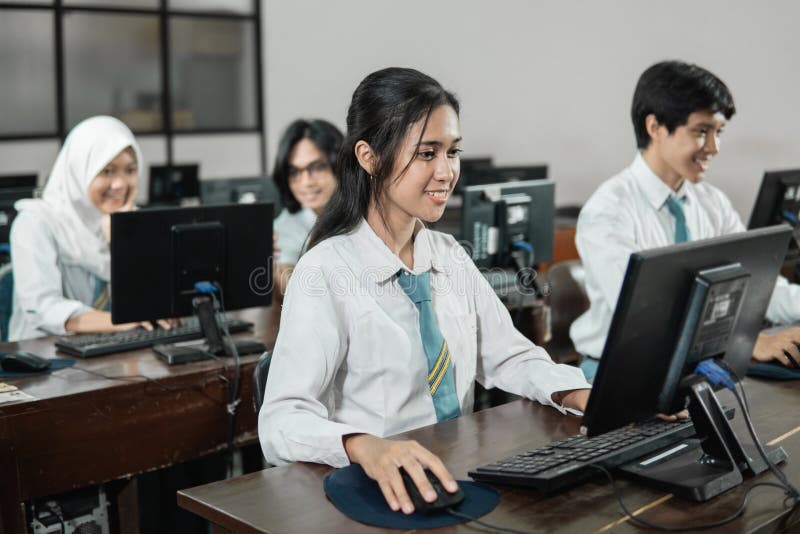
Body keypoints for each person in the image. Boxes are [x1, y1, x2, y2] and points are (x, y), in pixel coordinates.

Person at [259, 67, 591, 514]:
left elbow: (508, 355)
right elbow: (280, 420)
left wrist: (576, 393)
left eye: (452, 152)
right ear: (369, 157)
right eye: (426, 153)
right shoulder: (325, 271)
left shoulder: (448, 255)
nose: (445, 172)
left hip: (455, 469)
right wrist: (364, 446)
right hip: (376, 488)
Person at [571, 60, 800, 380]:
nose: (714, 147)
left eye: (718, 132)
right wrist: (746, 342)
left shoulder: (711, 202)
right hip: (621, 375)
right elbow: (646, 319)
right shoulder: (607, 211)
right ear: (655, 127)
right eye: (701, 132)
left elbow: (757, 287)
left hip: (695, 368)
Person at [9, 115, 171, 341]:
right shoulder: (36, 223)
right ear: (78, 170)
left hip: (113, 351)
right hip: (43, 357)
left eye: (130, 170)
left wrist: (122, 240)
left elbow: (148, 299)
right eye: (107, 171)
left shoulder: (131, 219)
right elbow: (43, 308)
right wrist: (118, 321)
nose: (121, 184)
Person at [271, 119, 343, 297]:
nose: (306, 182)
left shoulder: (369, 210)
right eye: (295, 172)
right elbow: (289, 281)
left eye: (317, 167)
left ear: (340, 165)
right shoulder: (288, 224)